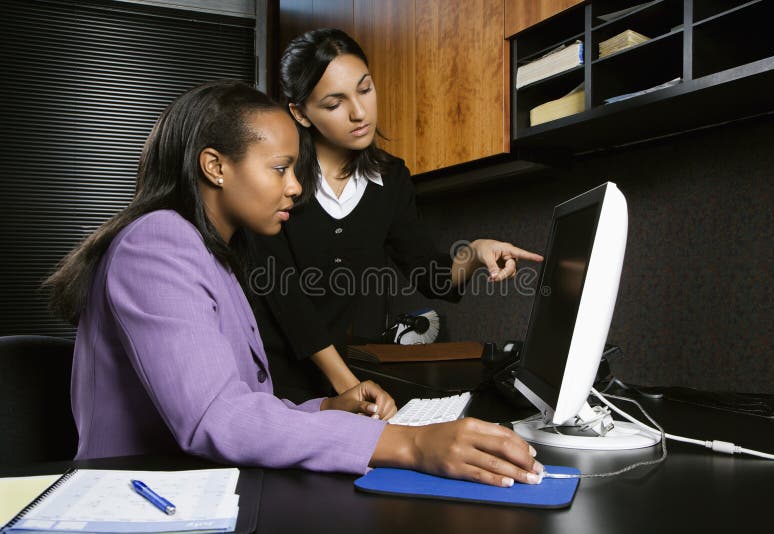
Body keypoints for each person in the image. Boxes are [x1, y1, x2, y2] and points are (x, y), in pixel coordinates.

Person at [44, 80, 544, 486]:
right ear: (216, 167)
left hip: (199, 485)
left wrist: (328, 406)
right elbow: (215, 419)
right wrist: (410, 444)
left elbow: (240, 402)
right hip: (145, 498)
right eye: (281, 168)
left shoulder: (215, 254)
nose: (296, 186)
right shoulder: (157, 243)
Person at [250, 28, 543, 414]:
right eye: (334, 103)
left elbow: (429, 274)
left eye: (365, 89)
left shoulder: (390, 180)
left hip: (332, 384)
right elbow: (286, 301)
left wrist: (474, 253)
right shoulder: (276, 178)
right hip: (263, 379)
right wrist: (352, 388)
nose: (359, 112)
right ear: (301, 113)